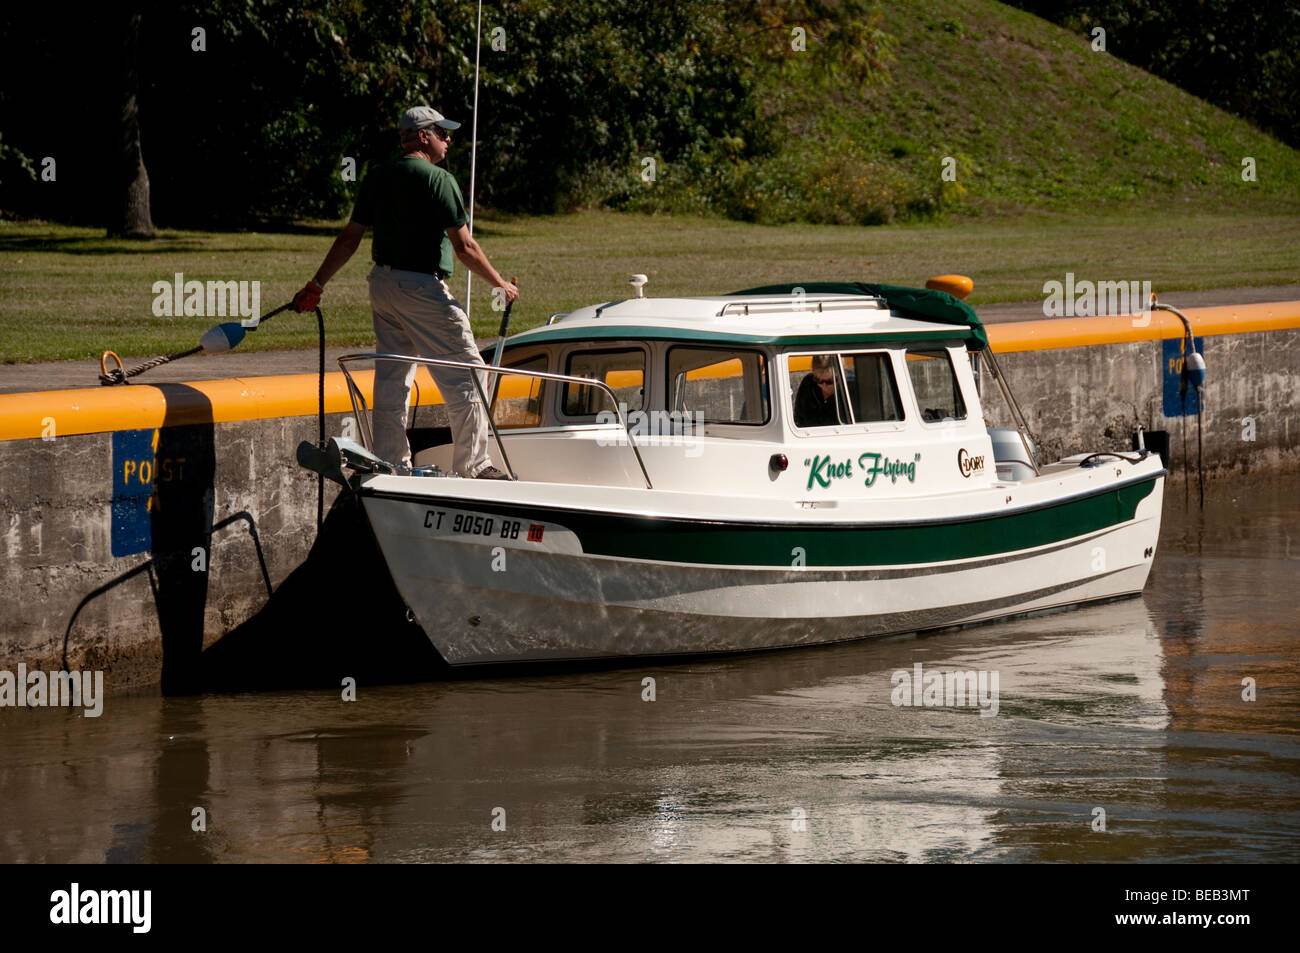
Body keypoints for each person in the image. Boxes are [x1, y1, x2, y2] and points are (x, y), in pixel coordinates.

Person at [293, 105, 519, 478]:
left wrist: (316, 285)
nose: (448, 139)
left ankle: (390, 464)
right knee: (469, 374)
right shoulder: (439, 179)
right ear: (423, 136)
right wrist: (500, 283)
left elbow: (350, 238)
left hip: (382, 286)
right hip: (422, 288)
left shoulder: (377, 175)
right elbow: (464, 247)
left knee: (393, 378)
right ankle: (475, 467)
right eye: (442, 133)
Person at [793, 354, 842, 427]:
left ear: (839, 377)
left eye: (829, 381)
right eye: (818, 380)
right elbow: (798, 417)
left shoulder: (847, 392)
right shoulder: (808, 384)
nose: (823, 386)